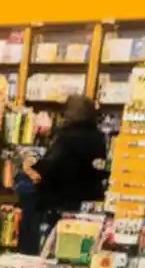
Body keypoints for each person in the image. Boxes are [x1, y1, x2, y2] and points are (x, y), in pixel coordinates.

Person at [18, 94, 108, 254]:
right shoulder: (98, 138)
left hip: (59, 202)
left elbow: (51, 167)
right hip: (88, 202)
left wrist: (31, 166)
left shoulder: (67, 138)